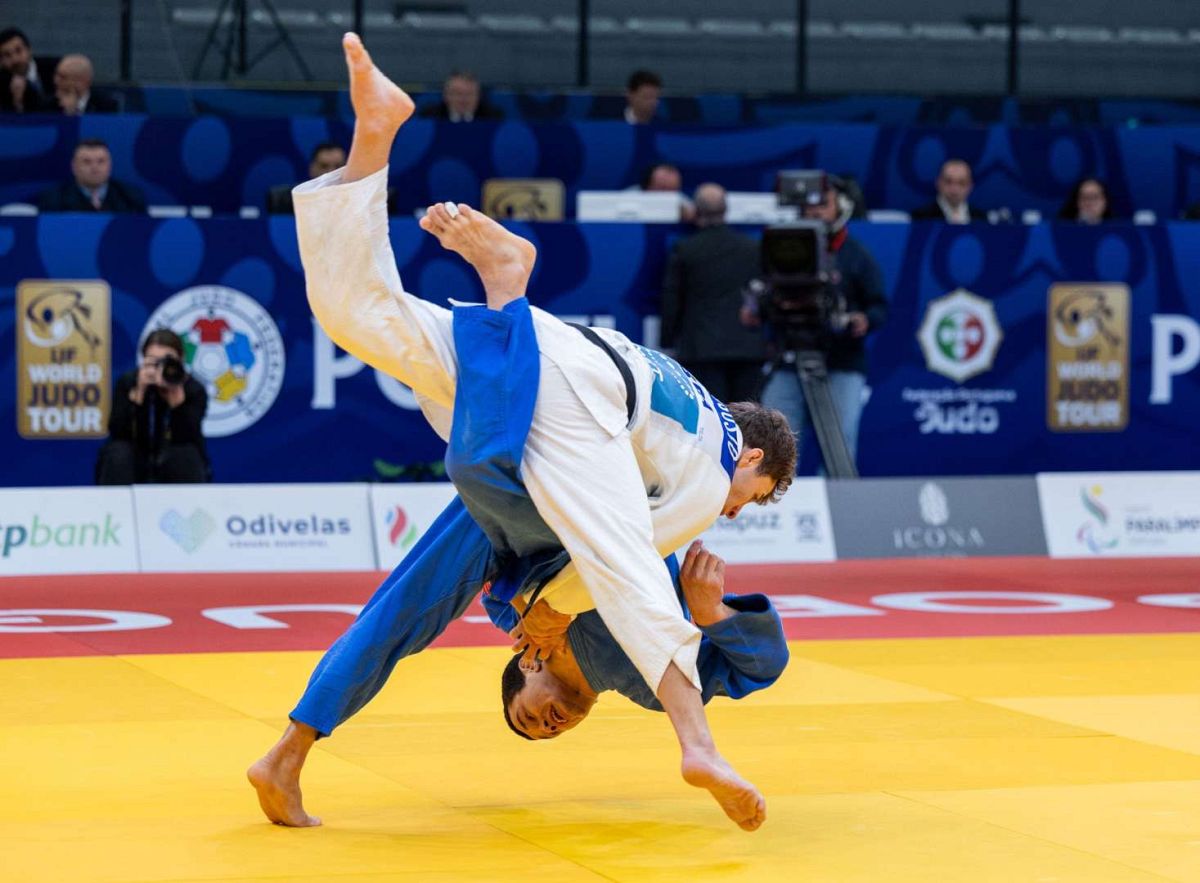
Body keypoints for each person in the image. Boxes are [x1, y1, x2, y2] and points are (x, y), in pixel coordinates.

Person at [278, 33, 796, 830]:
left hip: (542, 352)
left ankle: (372, 137)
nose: (734, 512)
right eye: (751, 499)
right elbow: (612, 561)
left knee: (358, 315)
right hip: (578, 398)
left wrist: (554, 610)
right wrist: (684, 609)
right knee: (622, 563)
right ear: (751, 455)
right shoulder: (705, 467)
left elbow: (487, 577)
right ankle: (700, 743)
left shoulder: (676, 389)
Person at [755, 177, 888, 471]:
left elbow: (879, 305)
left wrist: (862, 319)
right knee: (770, 440)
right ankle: (774, 509)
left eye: (822, 205)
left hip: (841, 361)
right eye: (808, 206)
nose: (814, 212)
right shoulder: (780, 247)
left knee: (840, 444)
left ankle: (841, 511)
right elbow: (761, 295)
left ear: (840, 207)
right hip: (789, 359)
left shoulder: (855, 255)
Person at [661, 183, 765, 402]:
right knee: (747, 422)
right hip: (747, 348)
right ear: (726, 210)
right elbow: (762, 293)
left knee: (710, 421)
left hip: (701, 349)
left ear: (696, 211)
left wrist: (667, 339)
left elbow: (672, 298)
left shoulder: (686, 249)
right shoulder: (751, 248)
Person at [95, 328, 210, 484]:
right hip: (135, 461)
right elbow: (117, 432)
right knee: (118, 453)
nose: (160, 369)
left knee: (185, 454)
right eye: (153, 362)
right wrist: (138, 395)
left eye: (167, 361)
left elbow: (189, 437)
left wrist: (177, 404)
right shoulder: (128, 382)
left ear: (181, 359)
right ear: (143, 360)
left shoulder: (193, 389)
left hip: (176, 461)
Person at [37, 138, 145, 213]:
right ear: (74, 167)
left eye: (101, 161)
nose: (94, 167)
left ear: (110, 166)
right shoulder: (53, 201)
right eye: (87, 162)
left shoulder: (131, 198)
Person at [266, 142, 347, 214]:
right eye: (324, 166)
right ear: (312, 168)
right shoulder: (286, 201)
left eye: (338, 167)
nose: (331, 173)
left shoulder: (355, 203)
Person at [910, 158, 986, 223]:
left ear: (970, 186)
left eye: (961, 183)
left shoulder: (981, 218)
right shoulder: (921, 218)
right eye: (948, 182)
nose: (954, 189)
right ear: (938, 183)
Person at [0, 27, 57, 113]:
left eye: (18, 51)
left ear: (29, 50)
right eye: (7, 55)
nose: (15, 59)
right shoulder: (2, 83)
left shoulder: (53, 69)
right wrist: (18, 104)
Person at [418, 69, 503, 122]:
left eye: (469, 94)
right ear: (446, 96)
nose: (464, 99)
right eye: (458, 93)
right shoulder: (430, 117)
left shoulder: (493, 117)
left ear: (479, 96)